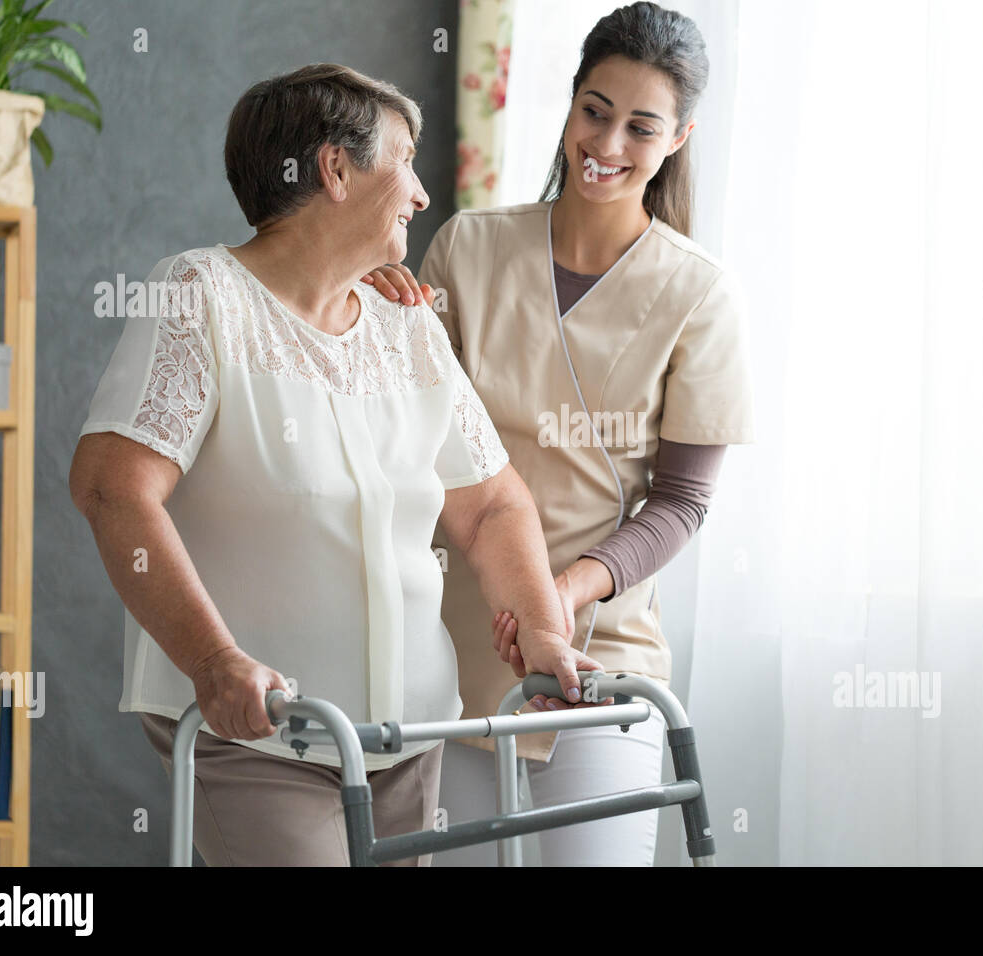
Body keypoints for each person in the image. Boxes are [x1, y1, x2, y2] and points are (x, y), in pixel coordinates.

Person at [69, 63, 600, 867]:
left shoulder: (405, 323)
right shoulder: (199, 295)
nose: (423, 195)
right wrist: (216, 664)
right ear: (336, 169)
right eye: (406, 161)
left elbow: (491, 505)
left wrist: (542, 630)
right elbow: (112, 488)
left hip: (408, 737)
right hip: (260, 734)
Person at [366, 2, 755, 866]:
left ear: (680, 137)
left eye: (640, 126)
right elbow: (407, 437)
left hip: (601, 663)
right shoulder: (467, 249)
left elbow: (684, 502)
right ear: (572, 102)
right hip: (458, 658)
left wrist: (568, 590)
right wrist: (376, 325)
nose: (608, 144)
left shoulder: (699, 295)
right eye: (594, 110)